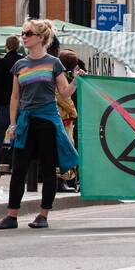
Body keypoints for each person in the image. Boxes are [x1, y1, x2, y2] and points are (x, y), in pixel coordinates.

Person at [0, 19, 77, 230]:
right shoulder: (19, 65)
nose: (24, 37)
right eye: (23, 33)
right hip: (26, 121)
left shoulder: (54, 63)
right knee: (18, 168)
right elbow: (14, 97)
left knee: (48, 169)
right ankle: (11, 216)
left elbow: (64, 93)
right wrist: (12, 124)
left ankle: (43, 215)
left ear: (40, 37)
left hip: (48, 120)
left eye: (28, 33)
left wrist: (76, 80)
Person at [0, 35, 20, 179]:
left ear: (6, 46)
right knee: (20, 139)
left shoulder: (1, 63)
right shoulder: (22, 61)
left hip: (3, 106)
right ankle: (17, 170)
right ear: (18, 46)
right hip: (20, 105)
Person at [55, 50, 82, 193]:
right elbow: (64, 98)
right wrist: (73, 112)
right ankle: (62, 180)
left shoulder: (59, 75)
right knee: (65, 149)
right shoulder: (61, 77)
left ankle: (64, 180)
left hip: (61, 117)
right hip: (64, 117)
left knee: (64, 149)